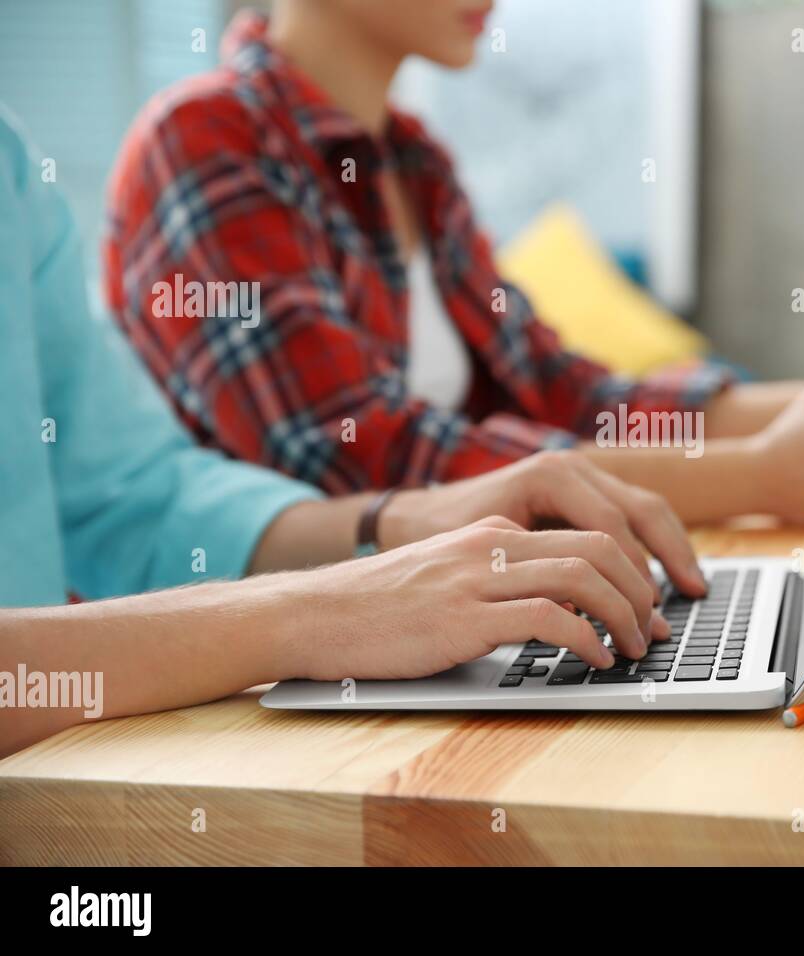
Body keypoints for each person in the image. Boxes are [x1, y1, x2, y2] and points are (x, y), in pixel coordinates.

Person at [0, 109, 707, 758]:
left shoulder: (11, 162)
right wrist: (316, 611)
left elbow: (138, 496)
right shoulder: (204, 140)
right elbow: (360, 445)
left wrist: (398, 519)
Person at [103, 2, 804, 525]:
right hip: (258, 696)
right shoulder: (205, 140)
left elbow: (568, 394)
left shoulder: (413, 162)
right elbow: (354, 466)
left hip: (436, 620)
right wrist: (760, 473)